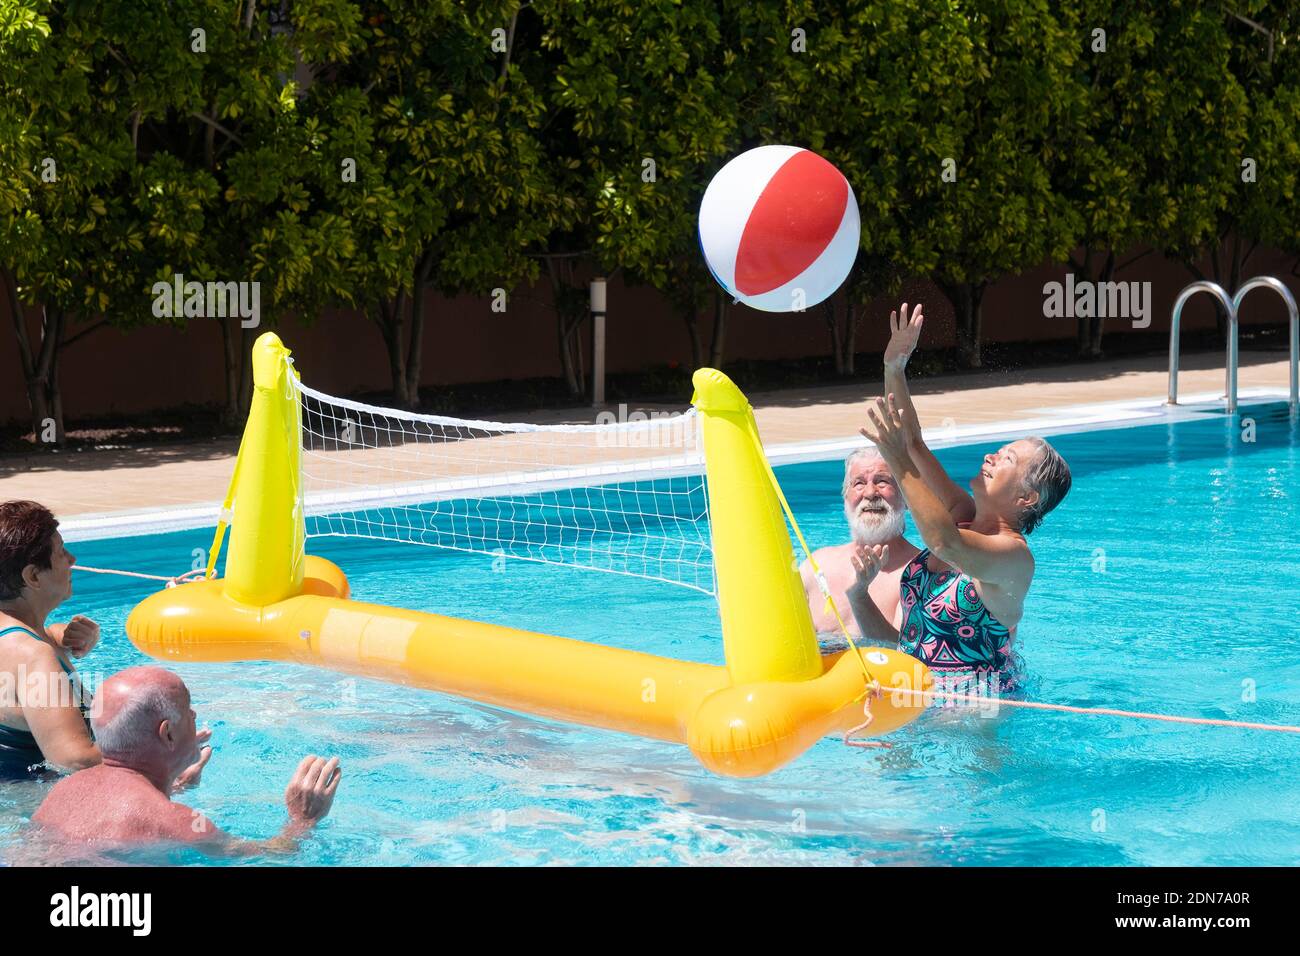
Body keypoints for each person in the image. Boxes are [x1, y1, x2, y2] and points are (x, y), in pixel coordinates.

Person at [849, 303, 1072, 691]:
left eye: (1007, 459)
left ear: (1027, 497)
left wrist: (897, 462)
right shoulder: (961, 515)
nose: (990, 456)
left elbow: (944, 543)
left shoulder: (1015, 558)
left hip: (978, 721)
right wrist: (894, 368)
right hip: (914, 700)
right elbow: (914, 443)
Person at [34, 666, 340, 855]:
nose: (194, 716)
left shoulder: (64, 790)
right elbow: (273, 857)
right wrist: (302, 820)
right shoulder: (177, 822)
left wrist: (168, 783)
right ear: (166, 734)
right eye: (188, 708)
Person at [0, 499, 102, 777]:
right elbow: (74, 761)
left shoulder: (20, 638)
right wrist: (159, 752)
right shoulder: (33, 655)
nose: (72, 560)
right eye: (60, 552)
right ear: (33, 576)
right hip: (30, 807)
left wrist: (64, 637)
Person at [800, 450, 919, 643]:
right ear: (846, 498)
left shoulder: (920, 573)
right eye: (859, 483)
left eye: (882, 481)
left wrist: (859, 596)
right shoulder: (817, 565)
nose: (870, 493)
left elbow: (905, 653)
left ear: (905, 497)